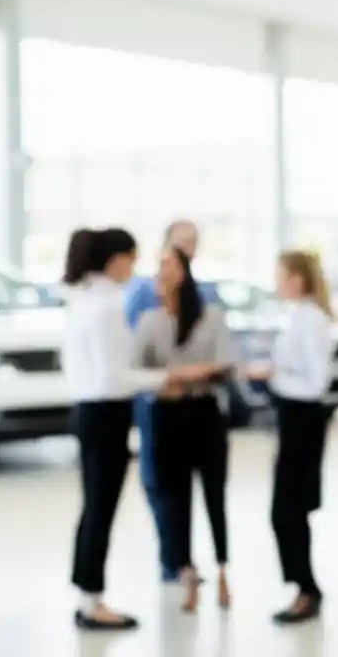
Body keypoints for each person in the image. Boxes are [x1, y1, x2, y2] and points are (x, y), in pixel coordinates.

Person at [61, 228, 211, 631]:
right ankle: (92, 600)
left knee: (93, 505)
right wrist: (166, 378)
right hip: (106, 412)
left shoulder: (82, 298)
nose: (135, 266)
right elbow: (118, 374)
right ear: (115, 259)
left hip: (87, 410)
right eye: (131, 257)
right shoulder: (109, 304)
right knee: (101, 508)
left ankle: (86, 593)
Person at [132, 246, 234, 613]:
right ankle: (184, 570)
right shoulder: (149, 321)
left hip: (204, 415)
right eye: (158, 268)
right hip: (166, 417)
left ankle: (223, 569)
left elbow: (225, 363)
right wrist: (177, 376)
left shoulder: (211, 316)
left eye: (168, 266)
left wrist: (180, 374)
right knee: (173, 498)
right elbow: (135, 372)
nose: (162, 275)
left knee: (214, 495)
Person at [125, 218, 220, 582]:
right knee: (160, 482)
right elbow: (134, 355)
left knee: (186, 484)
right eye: (180, 241)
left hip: (193, 407)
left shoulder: (204, 296)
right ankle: (173, 560)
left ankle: (182, 559)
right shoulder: (143, 295)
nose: (187, 247)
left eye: (193, 241)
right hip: (156, 404)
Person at [247, 251, 335, 625]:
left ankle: (306, 589)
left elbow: (316, 383)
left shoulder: (311, 320)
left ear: (299, 278)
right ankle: (302, 586)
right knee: (288, 510)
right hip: (293, 420)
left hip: (303, 421)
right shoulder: (299, 316)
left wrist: (274, 378)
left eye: (282, 275)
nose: (277, 282)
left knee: (288, 510)